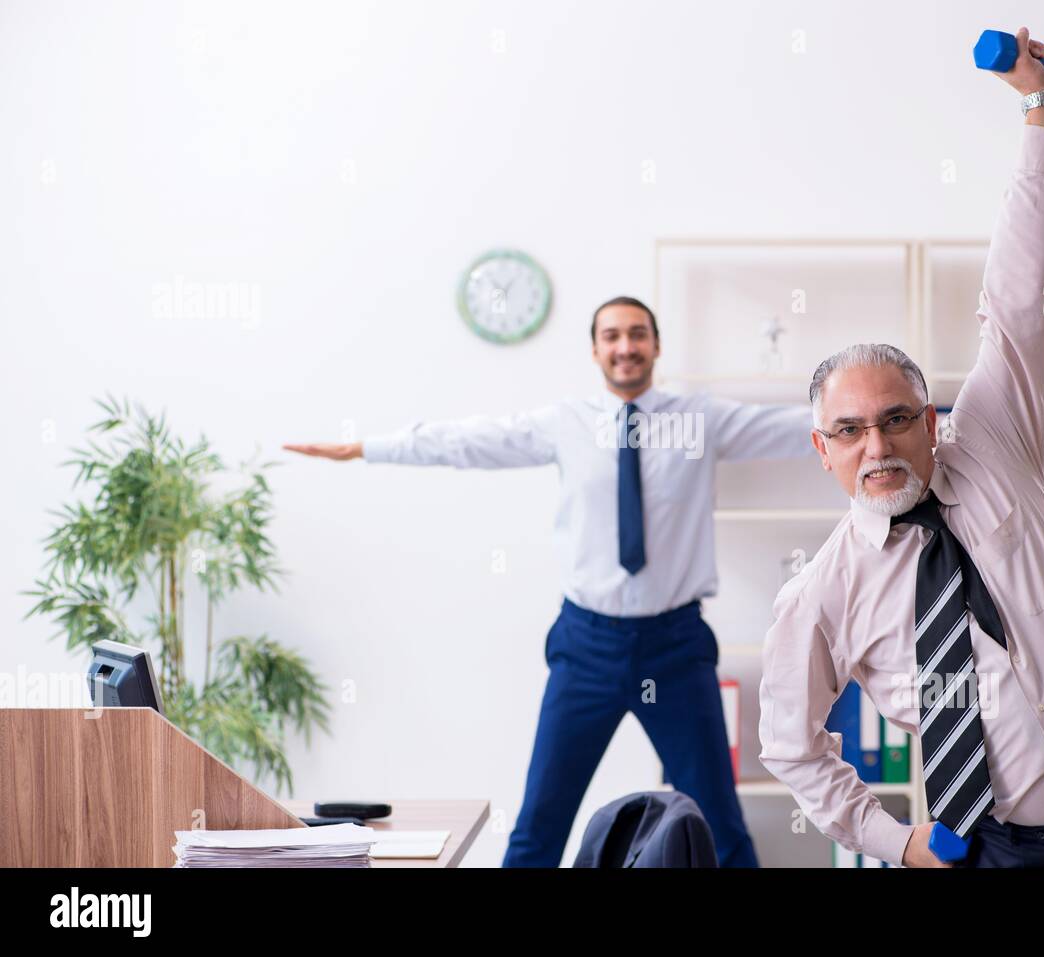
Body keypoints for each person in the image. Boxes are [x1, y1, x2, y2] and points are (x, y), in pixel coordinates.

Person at [756, 28, 1044, 868]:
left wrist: (1042, 112)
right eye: (850, 431)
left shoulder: (994, 440)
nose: (878, 445)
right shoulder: (822, 592)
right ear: (822, 449)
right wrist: (893, 843)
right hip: (1012, 852)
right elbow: (791, 743)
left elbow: (1017, 294)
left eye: (897, 418)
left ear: (932, 421)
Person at [286, 296, 815, 866]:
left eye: (637, 334)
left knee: (720, 821)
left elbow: (800, 428)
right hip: (587, 648)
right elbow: (468, 442)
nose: (626, 346)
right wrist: (366, 448)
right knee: (540, 822)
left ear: (656, 346)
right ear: (595, 349)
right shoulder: (566, 424)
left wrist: (912, 421)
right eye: (612, 336)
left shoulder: (702, 421)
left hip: (676, 648)